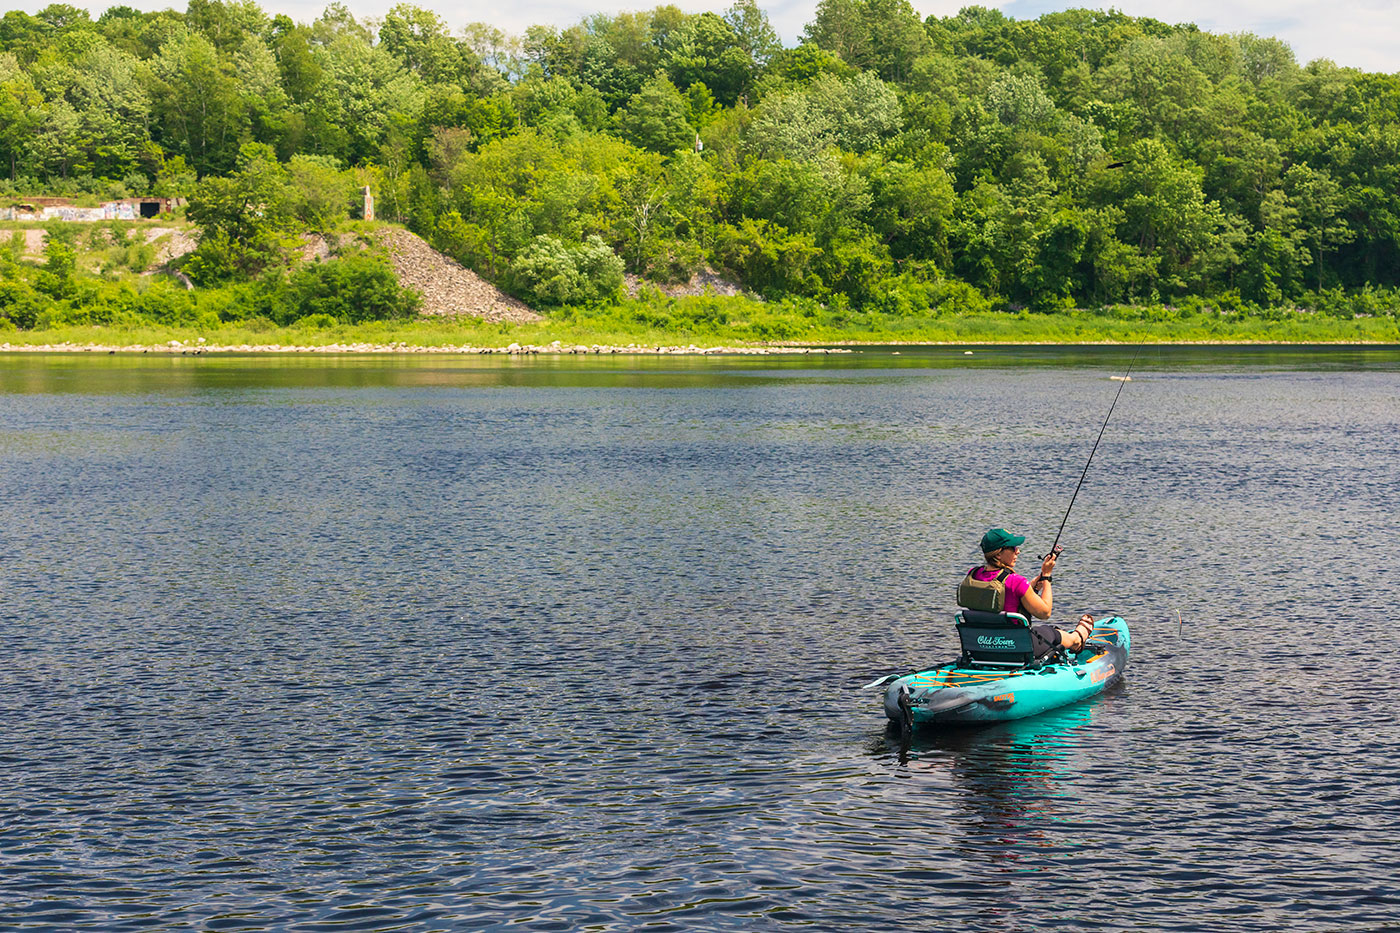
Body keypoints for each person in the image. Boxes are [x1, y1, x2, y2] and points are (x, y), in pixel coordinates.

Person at [960, 527, 1094, 658]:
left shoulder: (973, 574)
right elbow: (1044, 612)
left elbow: (1001, 597)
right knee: (1052, 632)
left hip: (980, 646)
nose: (1017, 551)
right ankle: (1077, 640)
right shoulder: (1016, 582)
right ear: (999, 554)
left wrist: (1031, 587)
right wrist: (1046, 576)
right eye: (1013, 548)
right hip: (1016, 647)